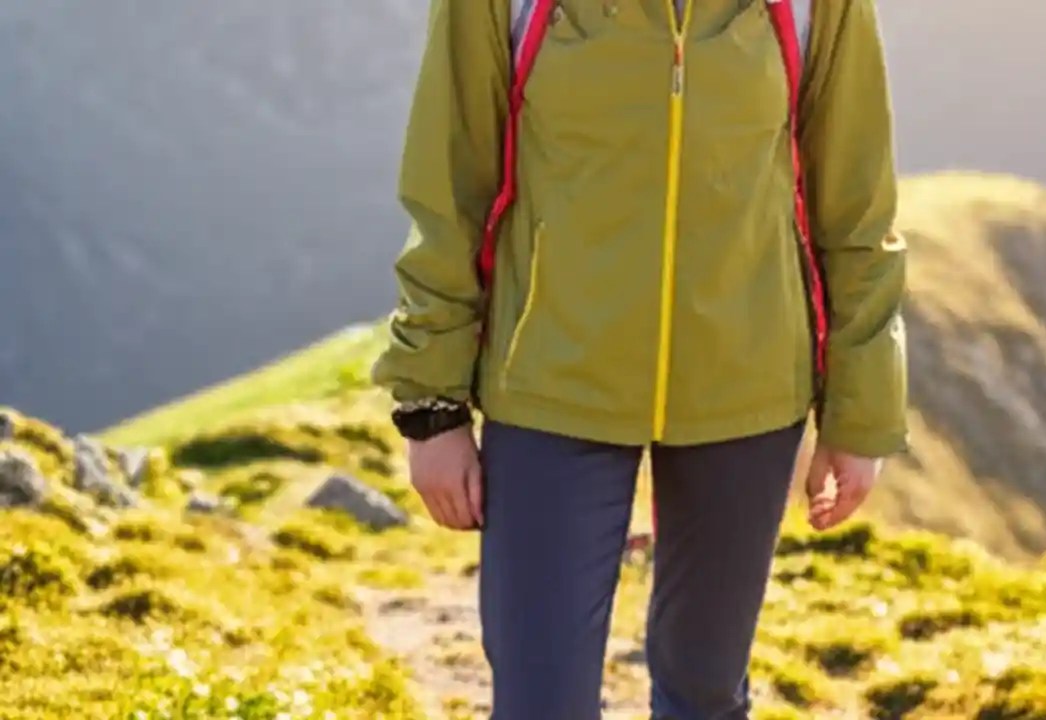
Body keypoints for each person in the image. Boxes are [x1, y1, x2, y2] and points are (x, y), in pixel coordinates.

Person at [372, 0, 906, 717]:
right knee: (541, 702)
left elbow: (857, 206)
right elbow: (449, 193)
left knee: (706, 694)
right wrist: (430, 408)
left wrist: (860, 415)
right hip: (550, 386)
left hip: (746, 389)